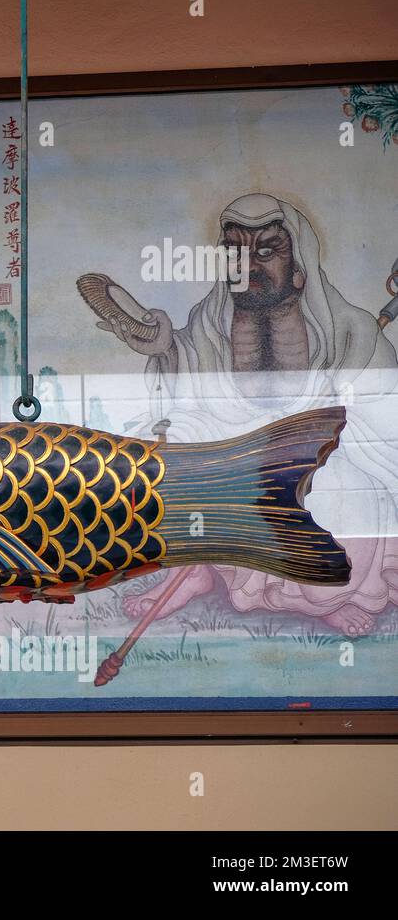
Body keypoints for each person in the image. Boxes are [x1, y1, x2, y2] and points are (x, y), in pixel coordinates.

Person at [99, 193, 398, 636]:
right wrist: (165, 352)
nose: (247, 265)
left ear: (298, 268)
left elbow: (384, 418)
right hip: (234, 452)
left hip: (320, 458)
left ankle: (318, 601)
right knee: (161, 452)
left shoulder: (348, 331)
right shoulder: (210, 319)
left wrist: (318, 446)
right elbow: (188, 393)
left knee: (342, 495)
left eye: (265, 251)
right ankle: (201, 570)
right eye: (235, 251)